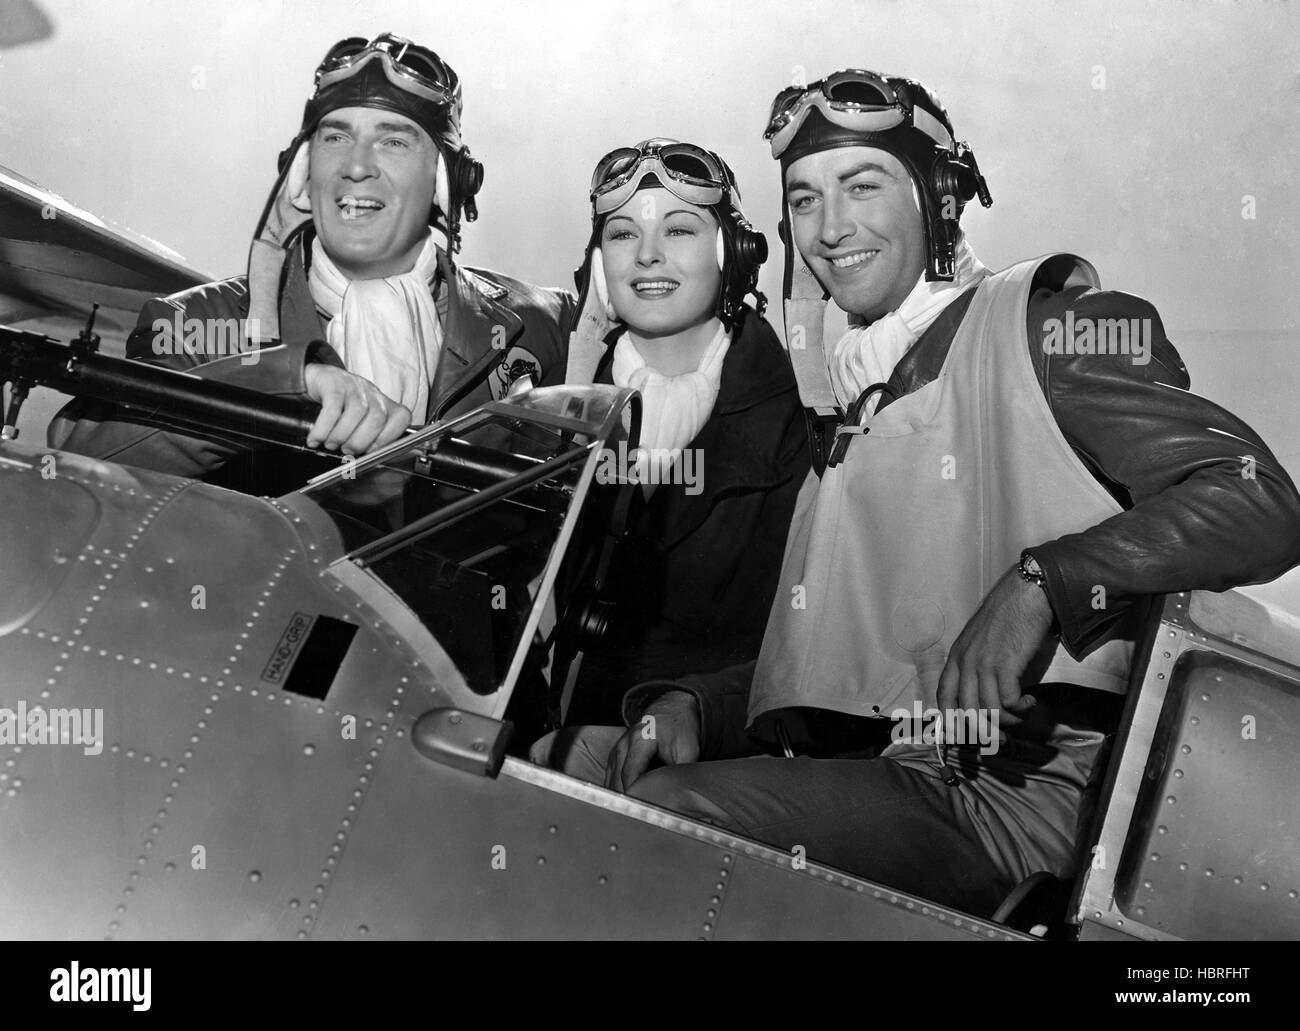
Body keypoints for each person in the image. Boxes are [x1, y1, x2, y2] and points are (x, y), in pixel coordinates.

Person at [537, 71, 1300, 916]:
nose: (830, 229)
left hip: (1012, 799)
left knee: (671, 822)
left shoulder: (1050, 329)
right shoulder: (855, 403)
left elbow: (1257, 494)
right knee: (557, 763)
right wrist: (701, 707)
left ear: (937, 197)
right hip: (888, 772)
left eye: (862, 186)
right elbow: (871, 657)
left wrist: (1042, 582)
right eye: (803, 199)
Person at [50, 33, 574, 495]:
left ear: (447, 182)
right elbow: (77, 459)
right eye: (335, 137)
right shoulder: (198, 323)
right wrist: (284, 379)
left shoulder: (545, 324)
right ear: (300, 168)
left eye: (393, 141)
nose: (357, 167)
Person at [539, 139, 808, 729]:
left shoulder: (801, 423)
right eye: (623, 234)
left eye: (680, 231)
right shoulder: (546, 389)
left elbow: (800, 652)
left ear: (733, 254)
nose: (648, 257)